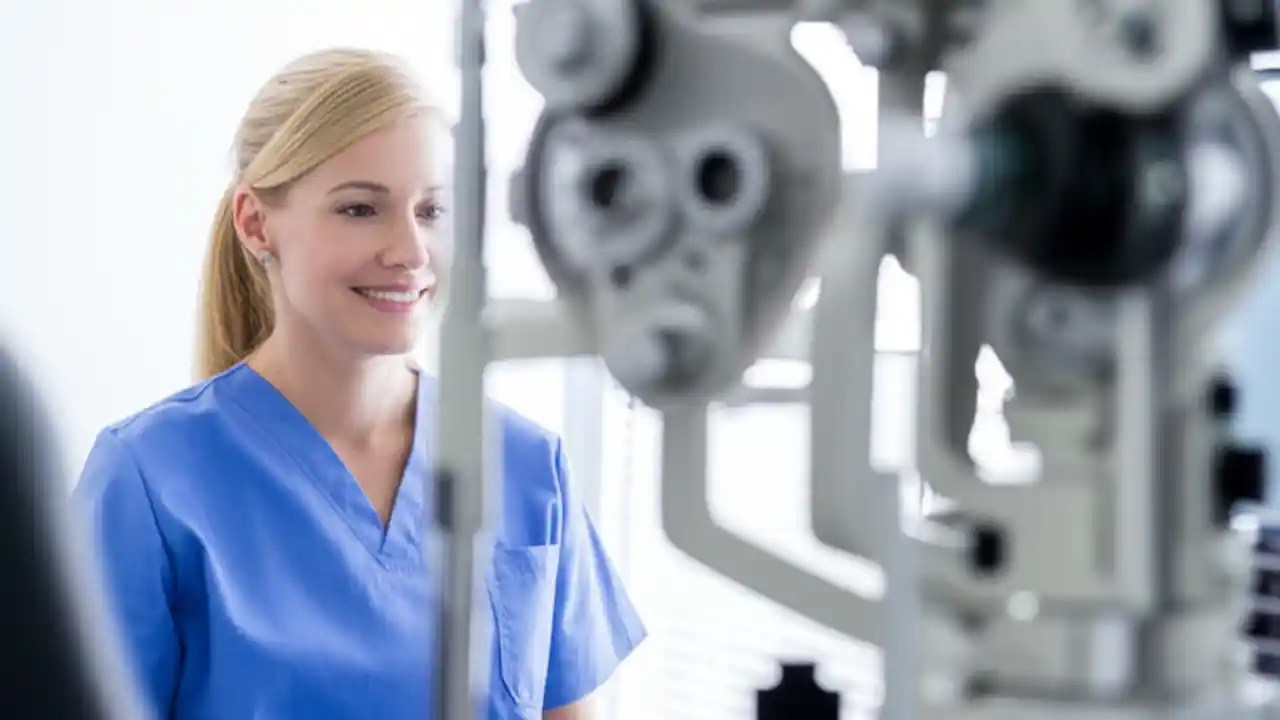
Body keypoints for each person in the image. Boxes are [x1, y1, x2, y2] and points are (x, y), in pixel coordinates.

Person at [71, 48, 646, 720]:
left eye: (432, 211)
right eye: (359, 210)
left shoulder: (526, 467)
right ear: (256, 223)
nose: (408, 251)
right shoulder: (148, 480)